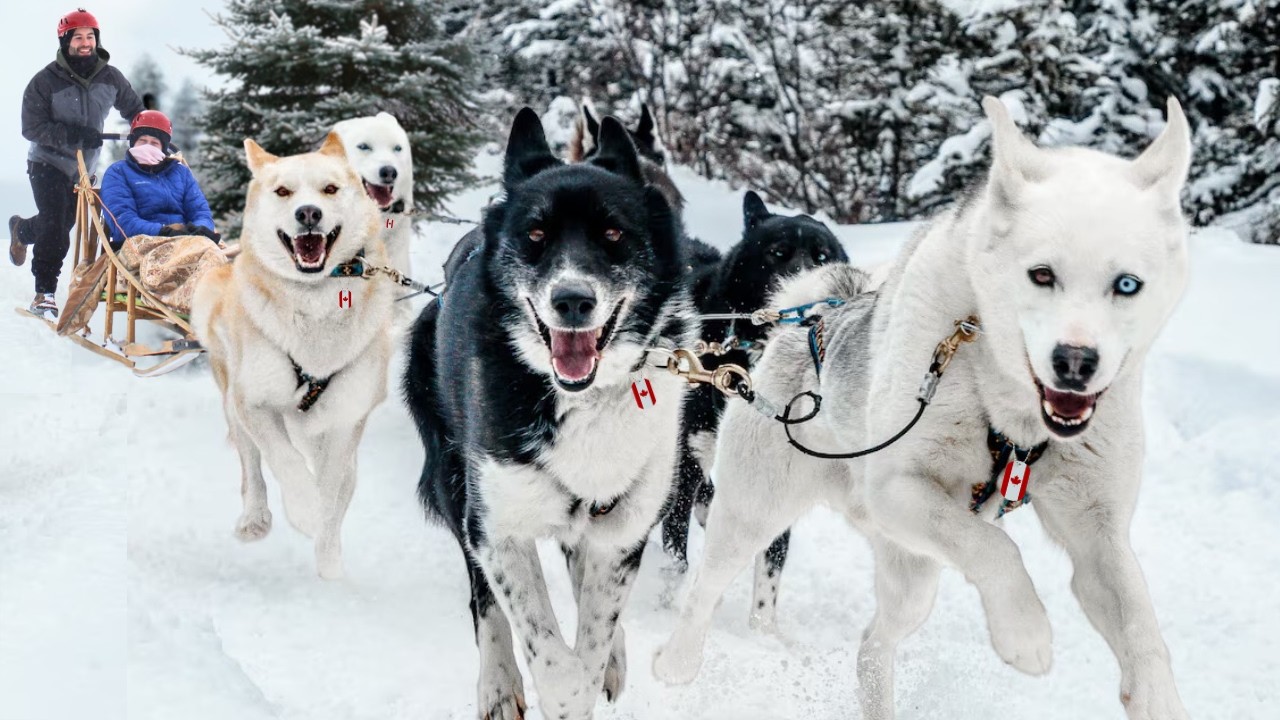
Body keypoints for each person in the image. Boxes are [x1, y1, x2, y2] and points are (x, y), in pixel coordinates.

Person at [9, 8, 144, 319]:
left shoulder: (111, 77)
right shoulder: (45, 81)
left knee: (61, 224)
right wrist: (72, 135)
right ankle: (44, 292)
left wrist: (151, 132)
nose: (86, 42)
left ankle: (22, 230)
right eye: (79, 37)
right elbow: (31, 127)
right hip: (46, 163)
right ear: (65, 40)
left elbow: (134, 110)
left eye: (90, 36)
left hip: (83, 167)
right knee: (56, 224)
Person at [99, 110, 219, 247]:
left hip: (186, 241)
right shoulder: (118, 172)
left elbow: (200, 211)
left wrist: (199, 229)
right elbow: (122, 221)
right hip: (140, 244)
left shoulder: (181, 173)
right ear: (133, 143)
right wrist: (163, 231)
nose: (147, 146)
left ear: (163, 147)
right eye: (142, 141)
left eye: (154, 143)